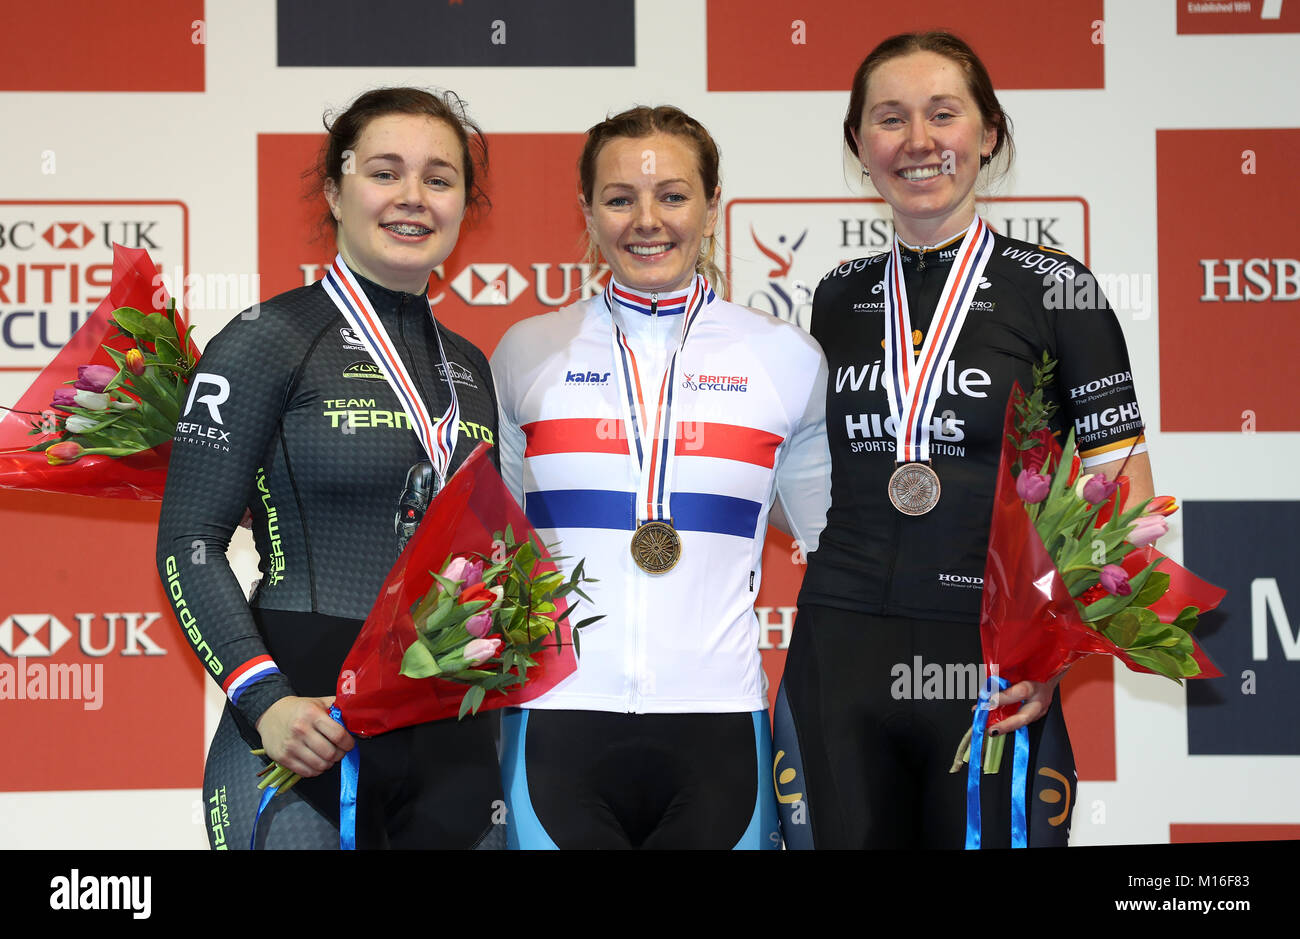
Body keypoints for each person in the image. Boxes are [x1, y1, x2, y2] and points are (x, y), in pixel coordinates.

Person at [773, 31, 1155, 849]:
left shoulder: (1061, 289)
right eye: (890, 119)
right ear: (858, 145)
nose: (918, 142)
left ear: (987, 134)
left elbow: (1124, 494)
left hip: (991, 663)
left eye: (943, 115)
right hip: (839, 647)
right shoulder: (835, 297)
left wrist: (1053, 646)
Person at [156, 87, 504, 849]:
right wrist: (266, 698)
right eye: (385, 172)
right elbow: (188, 541)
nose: (412, 198)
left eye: (439, 179)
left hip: (451, 744)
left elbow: (488, 565)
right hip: (297, 735)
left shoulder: (473, 369)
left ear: (461, 205)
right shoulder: (266, 338)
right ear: (334, 191)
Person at [491, 105, 830, 849]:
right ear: (587, 213)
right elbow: (492, 548)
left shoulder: (785, 359)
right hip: (554, 720)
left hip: (719, 726)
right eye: (620, 199)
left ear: (713, 207)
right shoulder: (525, 353)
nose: (648, 219)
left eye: (673, 196)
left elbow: (840, 553)